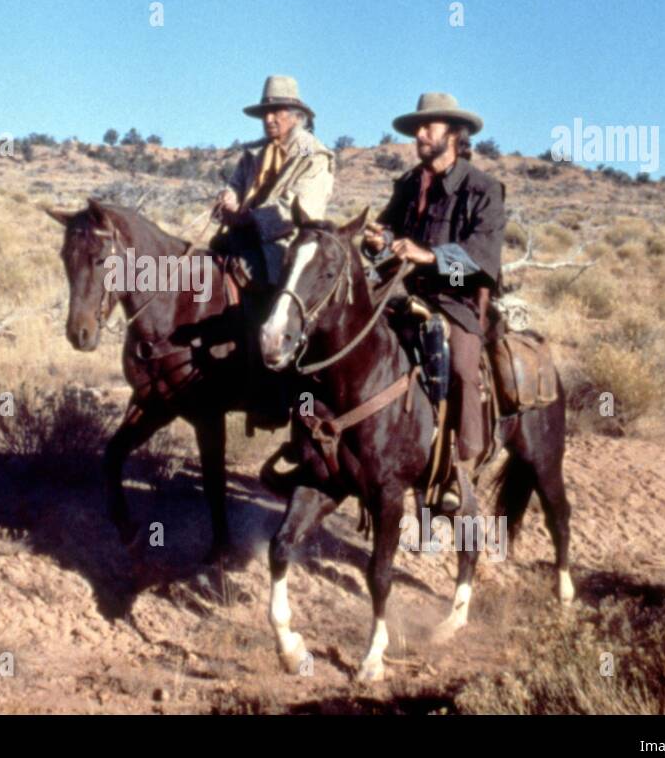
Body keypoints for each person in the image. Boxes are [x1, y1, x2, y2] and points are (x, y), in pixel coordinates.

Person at [363, 92, 505, 511]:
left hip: (455, 299)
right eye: (417, 129)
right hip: (401, 294)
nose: (420, 135)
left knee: (462, 369)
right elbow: (387, 239)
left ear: (454, 134)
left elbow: (482, 264)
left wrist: (429, 258)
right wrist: (378, 243)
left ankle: (461, 469)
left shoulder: (482, 188)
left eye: (429, 127)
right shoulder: (408, 184)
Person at [211, 75, 334, 427]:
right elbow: (235, 187)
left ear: (296, 114)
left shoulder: (313, 152)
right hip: (242, 238)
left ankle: (279, 394)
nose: (269, 119)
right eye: (266, 112)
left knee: (274, 305)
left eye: (277, 111)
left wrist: (248, 218)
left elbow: (297, 209)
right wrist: (228, 199)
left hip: (289, 246)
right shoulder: (253, 154)